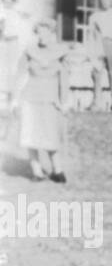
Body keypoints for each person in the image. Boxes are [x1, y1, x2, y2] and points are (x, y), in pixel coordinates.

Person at [15, 19, 69, 182]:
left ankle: (57, 170)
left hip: (51, 97)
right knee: (30, 134)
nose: (42, 36)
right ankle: (36, 170)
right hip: (30, 97)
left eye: (46, 32)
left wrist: (64, 100)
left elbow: (64, 79)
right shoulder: (29, 51)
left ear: (52, 33)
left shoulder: (60, 52)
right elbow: (20, 75)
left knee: (51, 134)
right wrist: (15, 100)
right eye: (39, 33)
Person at [0, 0, 33, 114]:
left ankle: (13, 100)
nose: (12, 1)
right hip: (4, 43)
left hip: (16, 45)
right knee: (4, 72)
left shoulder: (17, 13)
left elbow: (28, 18)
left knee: (15, 72)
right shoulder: (1, 11)